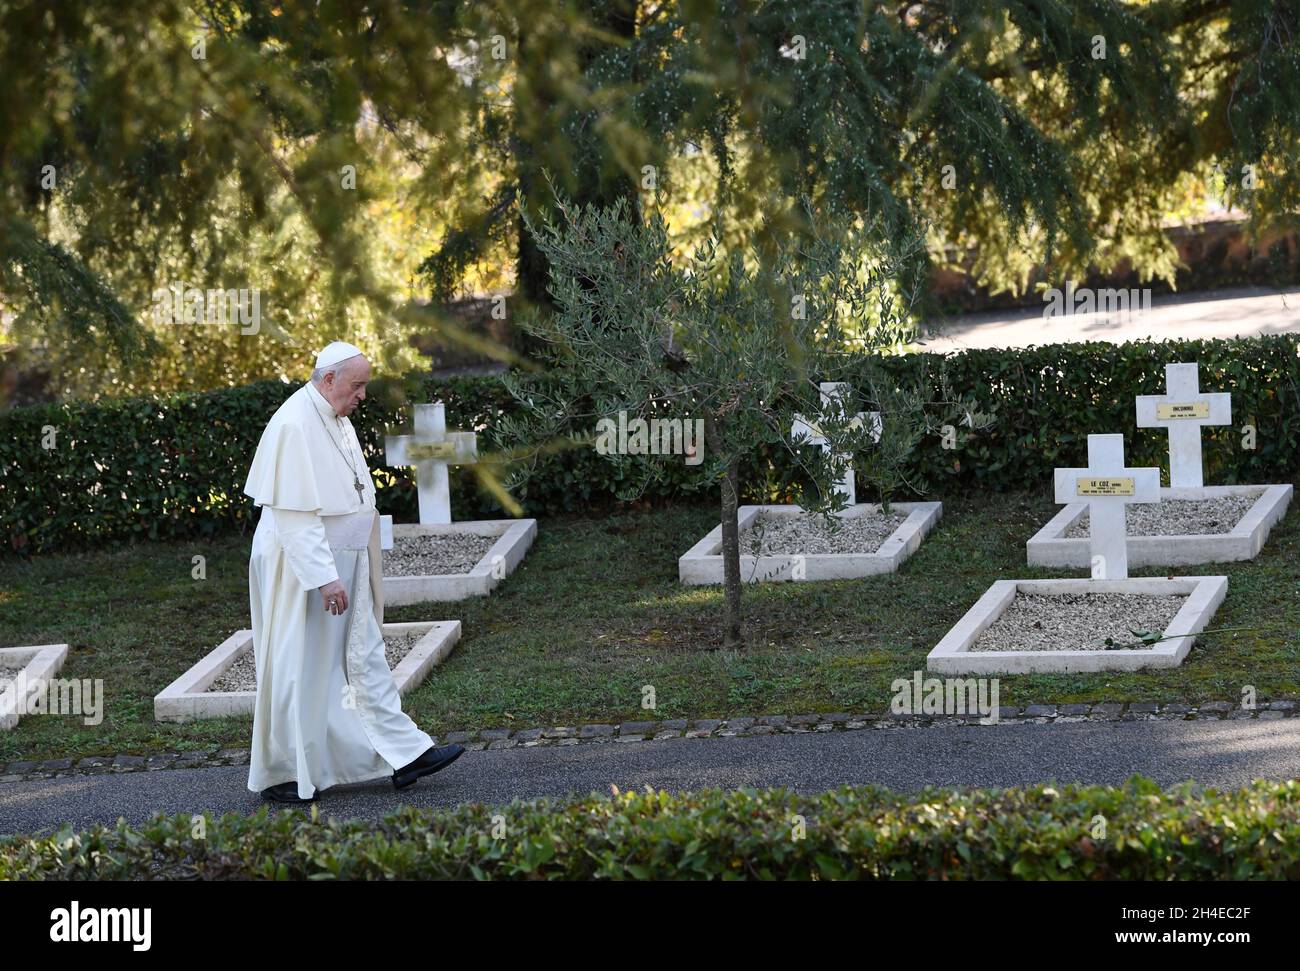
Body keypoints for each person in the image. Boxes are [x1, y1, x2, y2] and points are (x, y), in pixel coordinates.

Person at [242, 341, 463, 804]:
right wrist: (324, 577)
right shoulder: (292, 424)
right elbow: (295, 517)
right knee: (298, 667)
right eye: (357, 385)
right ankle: (283, 773)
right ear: (328, 380)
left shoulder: (334, 417)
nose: (363, 395)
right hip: (301, 570)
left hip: (343, 560)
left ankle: (406, 753)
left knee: (364, 657)